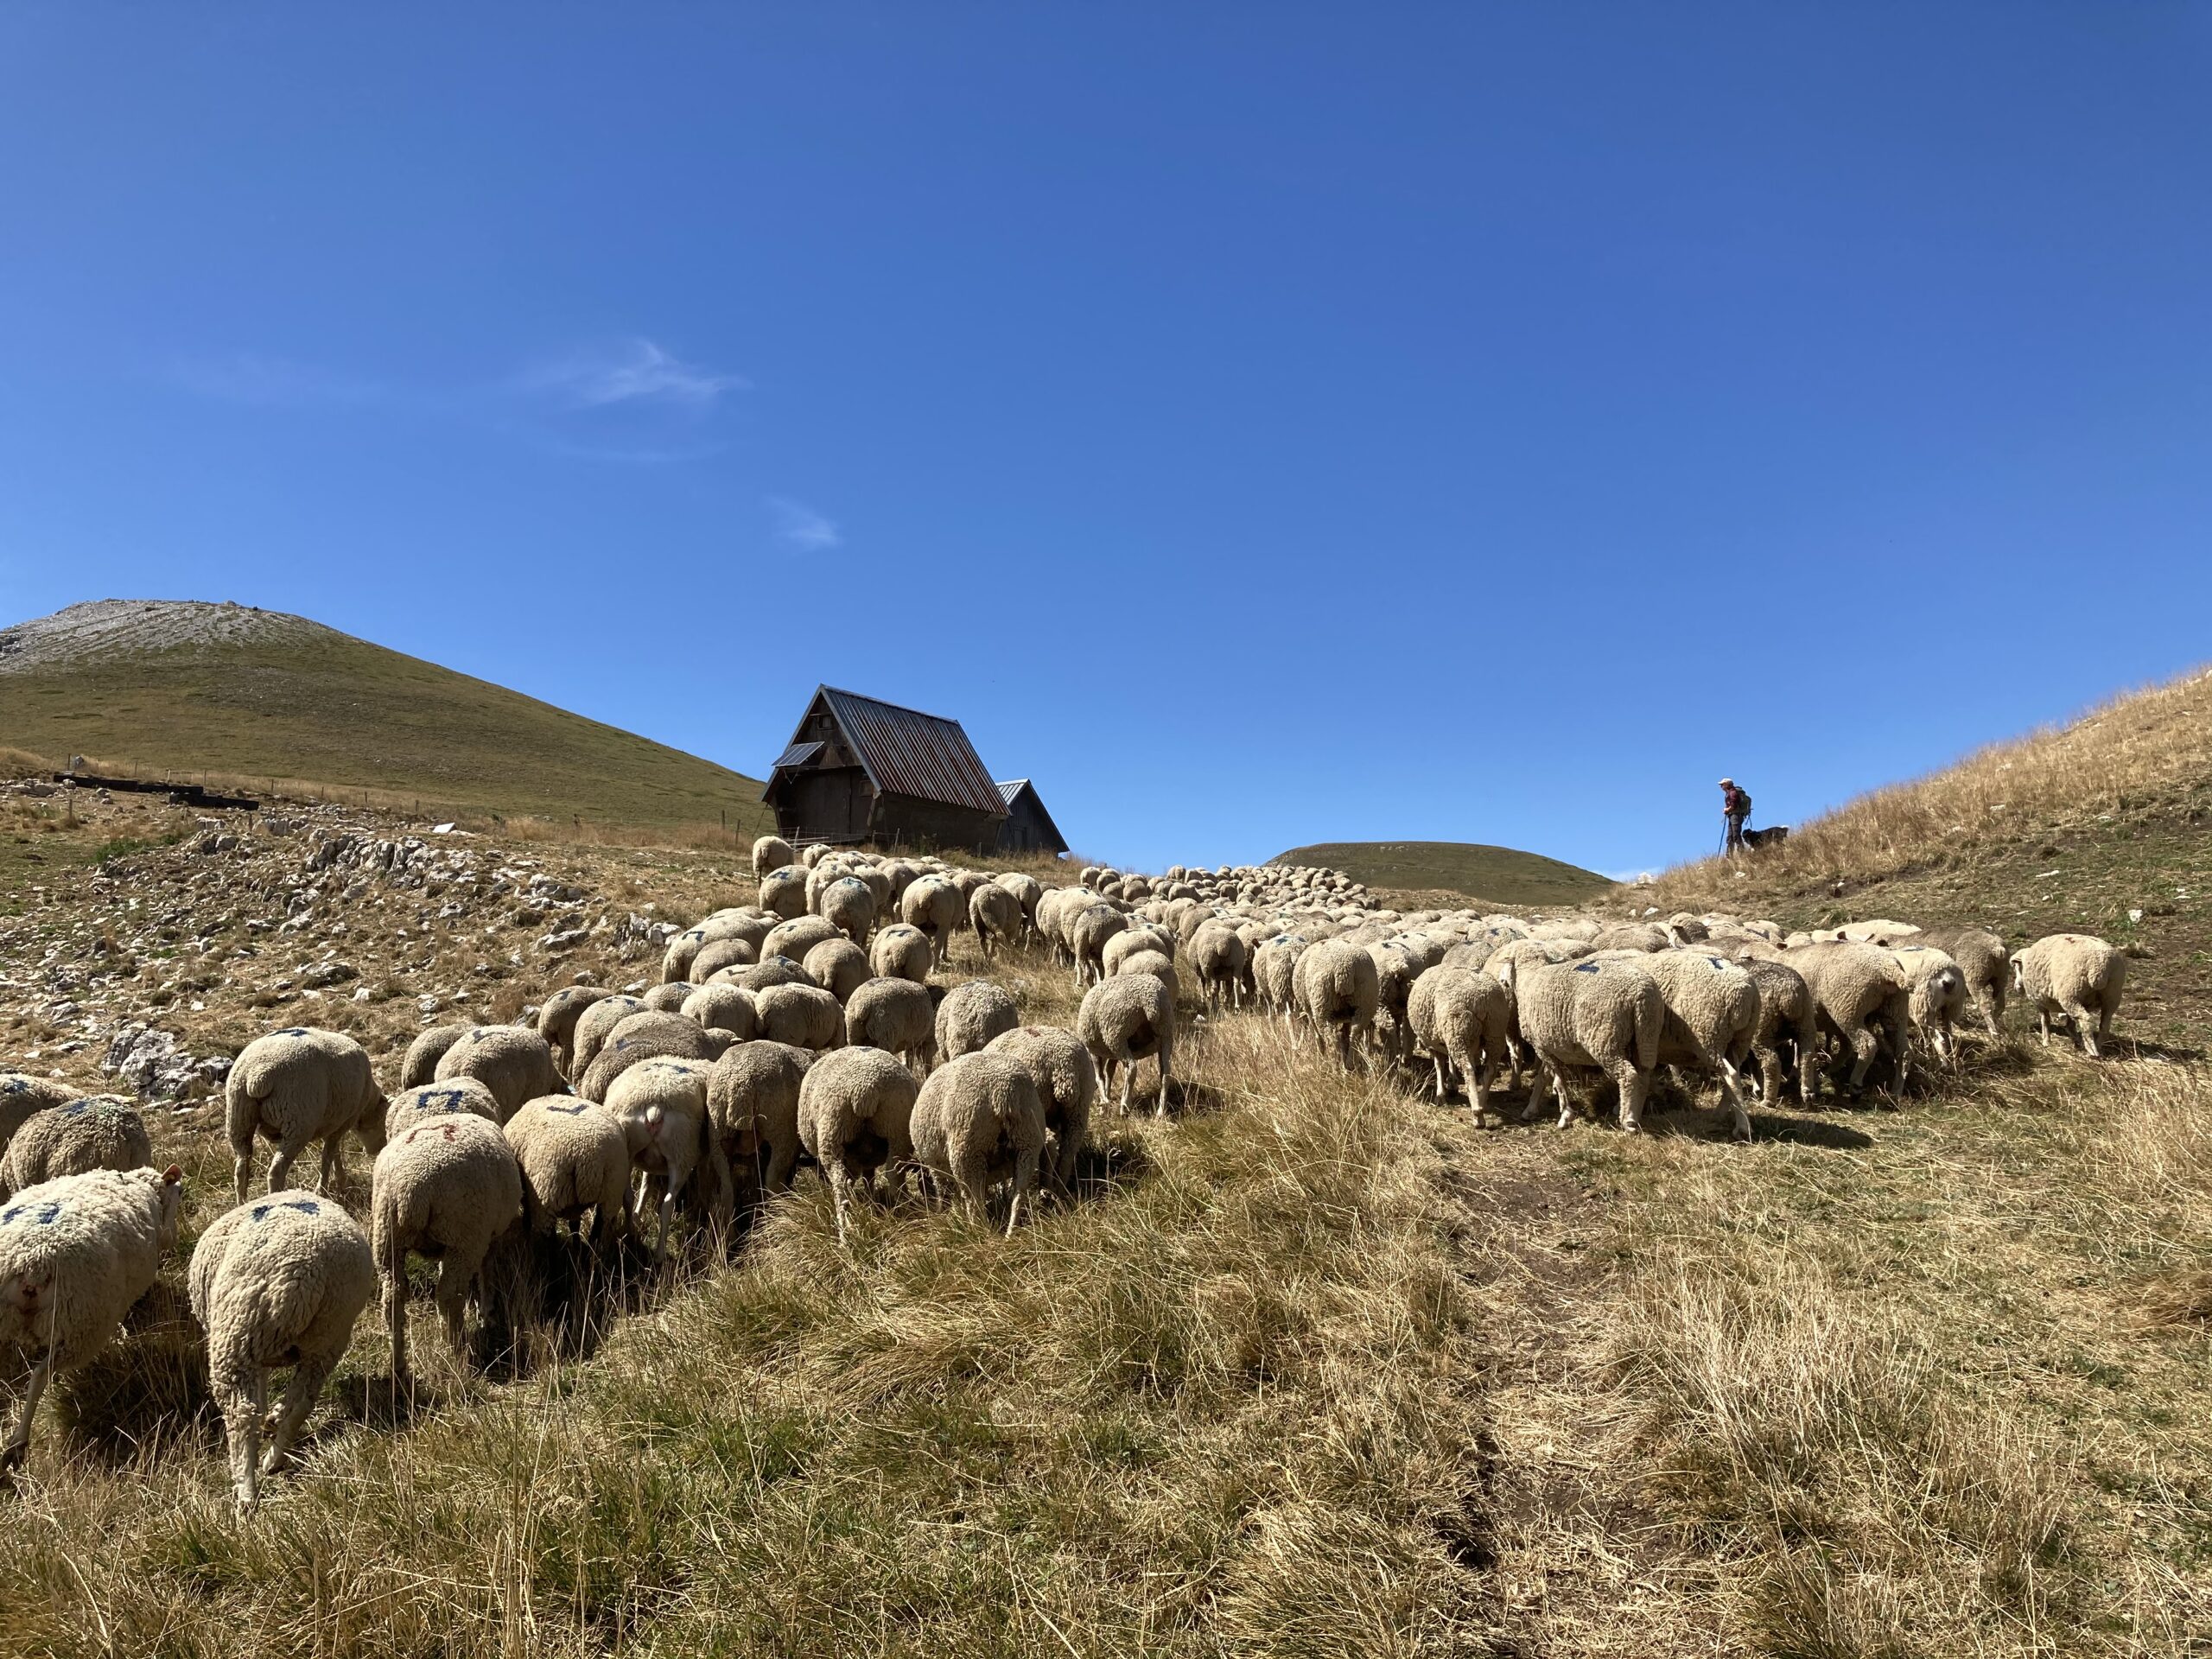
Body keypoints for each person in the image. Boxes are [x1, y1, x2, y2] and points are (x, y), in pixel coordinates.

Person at [1719, 778, 1751, 854]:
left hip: (1736, 815)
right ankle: (1729, 855)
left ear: (1727, 785)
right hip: (1733, 815)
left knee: (1736, 835)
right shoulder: (1730, 793)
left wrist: (1727, 810)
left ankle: (1741, 853)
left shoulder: (1733, 793)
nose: (1721, 786)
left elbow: (1734, 806)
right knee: (1730, 836)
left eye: (1722, 784)